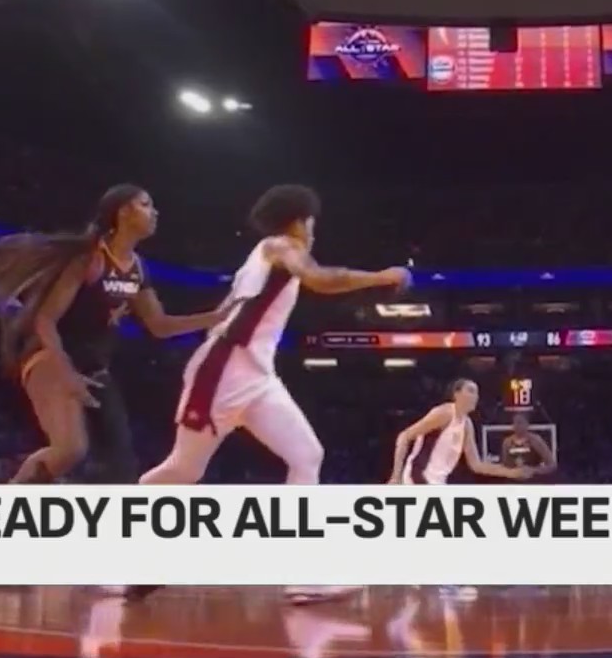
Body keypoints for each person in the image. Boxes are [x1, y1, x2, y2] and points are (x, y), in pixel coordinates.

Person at [129, 184, 411, 605]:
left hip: (259, 376)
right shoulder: (279, 246)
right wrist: (381, 276)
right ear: (299, 221)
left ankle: (301, 576)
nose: (314, 232)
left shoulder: (258, 261)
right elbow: (319, 279)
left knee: (307, 456)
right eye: (312, 223)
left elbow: (237, 308)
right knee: (182, 471)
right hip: (224, 371)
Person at [0, 185, 228, 486]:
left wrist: (217, 317)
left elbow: (159, 326)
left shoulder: (137, 268)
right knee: (70, 449)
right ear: (123, 212)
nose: (155, 212)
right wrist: (66, 373)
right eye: (146, 204)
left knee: (122, 458)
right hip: (50, 358)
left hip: (95, 368)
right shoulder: (90, 259)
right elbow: (44, 320)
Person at [391, 380, 536, 485]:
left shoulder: (467, 424)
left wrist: (511, 472)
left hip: (438, 482)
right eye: (471, 391)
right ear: (456, 394)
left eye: (477, 393)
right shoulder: (444, 413)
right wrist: (395, 476)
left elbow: (476, 465)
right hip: (417, 479)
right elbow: (404, 436)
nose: (476, 396)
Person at [499, 412, 555, 477]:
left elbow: (552, 465)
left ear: (527, 424)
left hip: (532, 481)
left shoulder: (535, 440)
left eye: (520, 422)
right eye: (515, 422)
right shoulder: (507, 442)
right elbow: (504, 466)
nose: (517, 426)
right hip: (512, 481)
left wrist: (534, 470)